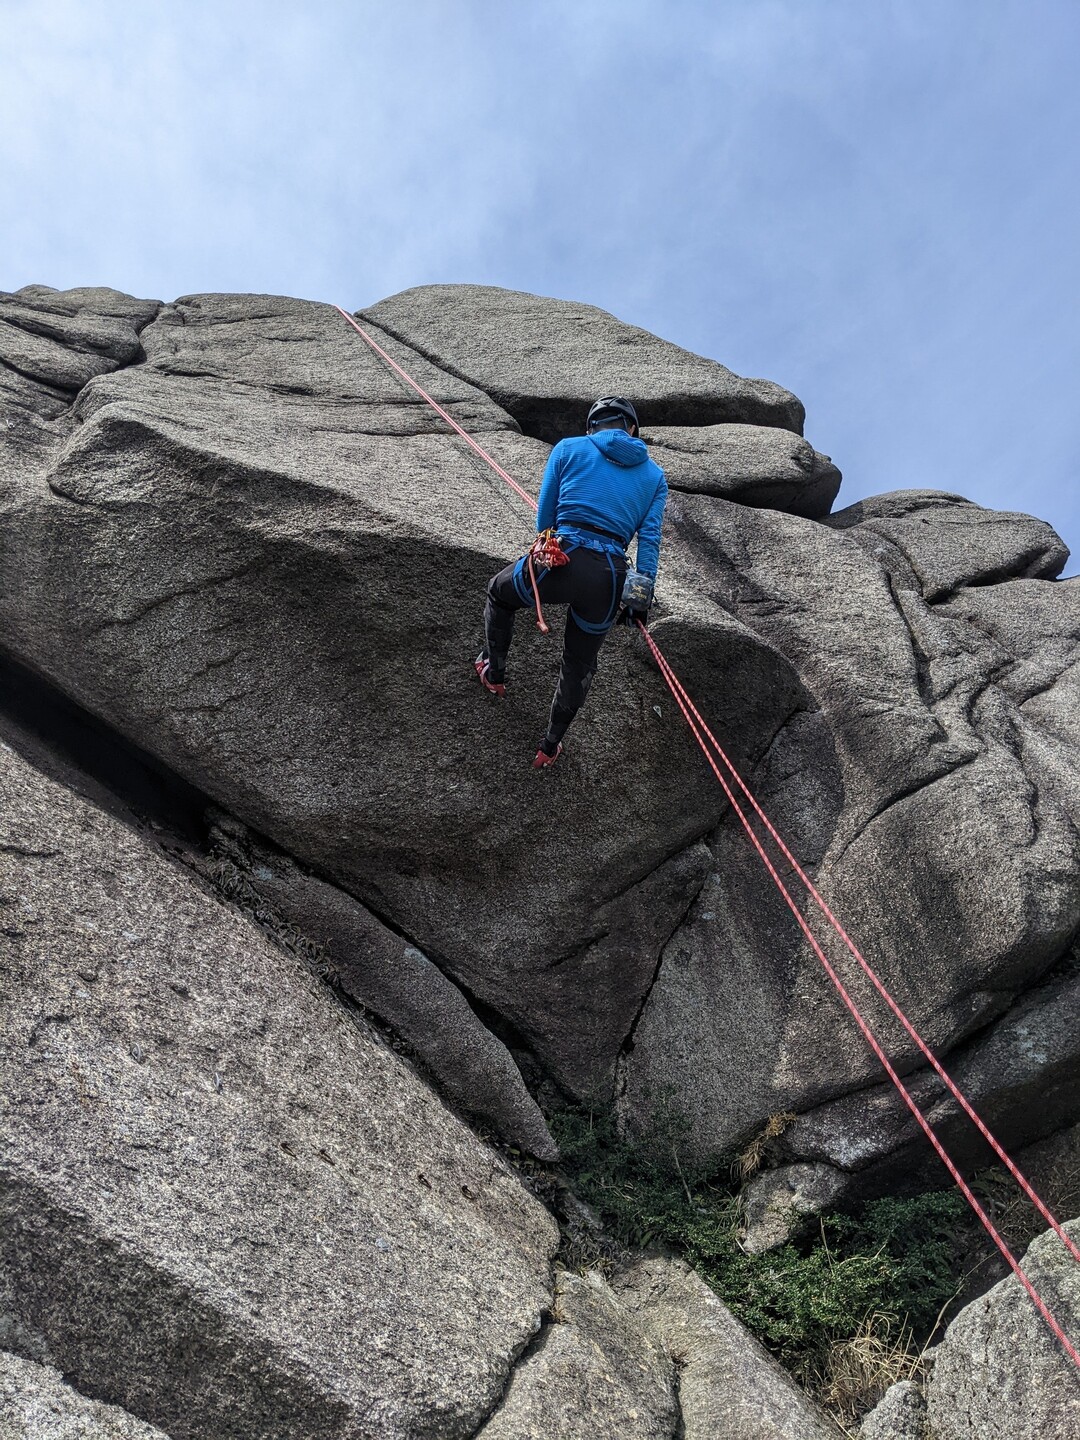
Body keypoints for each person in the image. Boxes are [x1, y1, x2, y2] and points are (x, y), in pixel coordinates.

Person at [475, 395, 668, 768]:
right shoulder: (655, 477)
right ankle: (549, 745)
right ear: (631, 428)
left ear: (592, 426)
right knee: (579, 662)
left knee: (500, 595)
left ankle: (494, 672)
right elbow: (650, 542)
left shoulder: (569, 448)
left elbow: (545, 517)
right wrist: (639, 599)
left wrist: (553, 538)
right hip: (610, 576)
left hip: (561, 558)